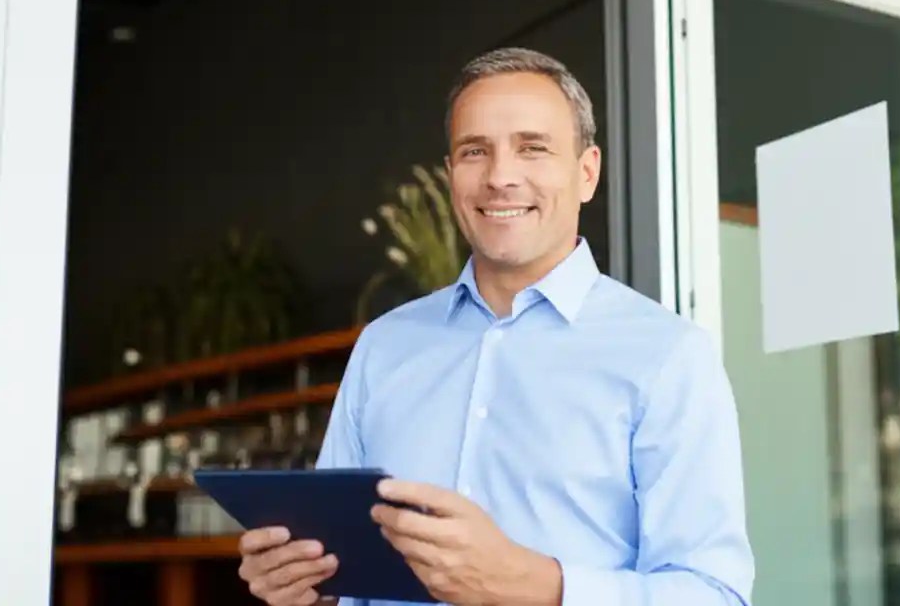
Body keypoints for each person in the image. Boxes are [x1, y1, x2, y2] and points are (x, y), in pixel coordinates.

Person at [236, 47, 755, 606]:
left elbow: (715, 593)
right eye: (475, 151)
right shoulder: (382, 347)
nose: (500, 177)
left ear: (587, 173)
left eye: (532, 148)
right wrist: (309, 588)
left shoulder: (668, 355)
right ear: (451, 176)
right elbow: (338, 566)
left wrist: (534, 586)